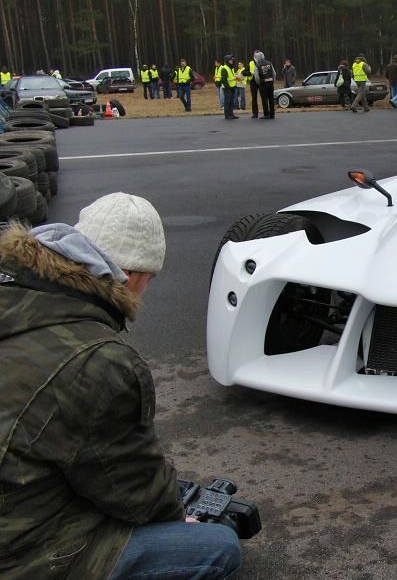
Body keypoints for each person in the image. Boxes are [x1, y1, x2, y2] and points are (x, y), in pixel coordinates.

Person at [0, 193, 242, 580]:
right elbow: (130, 486)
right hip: (20, 556)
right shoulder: (99, 360)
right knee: (215, 548)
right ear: (132, 277)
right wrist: (179, 515)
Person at [252, 50, 276, 119]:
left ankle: (266, 114)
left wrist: (259, 84)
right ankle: (272, 114)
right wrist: (272, 81)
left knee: (264, 99)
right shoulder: (269, 63)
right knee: (271, 99)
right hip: (270, 84)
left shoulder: (257, 65)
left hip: (263, 84)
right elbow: (274, 73)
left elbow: (256, 77)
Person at [220, 54, 238, 120]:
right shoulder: (224, 68)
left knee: (231, 102)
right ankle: (227, 115)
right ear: (227, 60)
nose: (232, 61)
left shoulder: (231, 68)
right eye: (230, 60)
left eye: (232, 60)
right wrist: (228, 88)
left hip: (232, 87)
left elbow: (233, 78)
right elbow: (223, 80)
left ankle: (231, 114)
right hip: (227, 88)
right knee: (227, 102)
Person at [248, 50, 259, 118]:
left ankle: (266, 112)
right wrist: (250, 73)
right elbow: (246, 71)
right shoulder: (251, 63)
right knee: (254, 98)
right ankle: (255, 113)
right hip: (253, 82)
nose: (256, 56)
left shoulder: (262, 62)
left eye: (258, 54)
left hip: (261, 82)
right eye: (255, 54)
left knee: (264, 97)